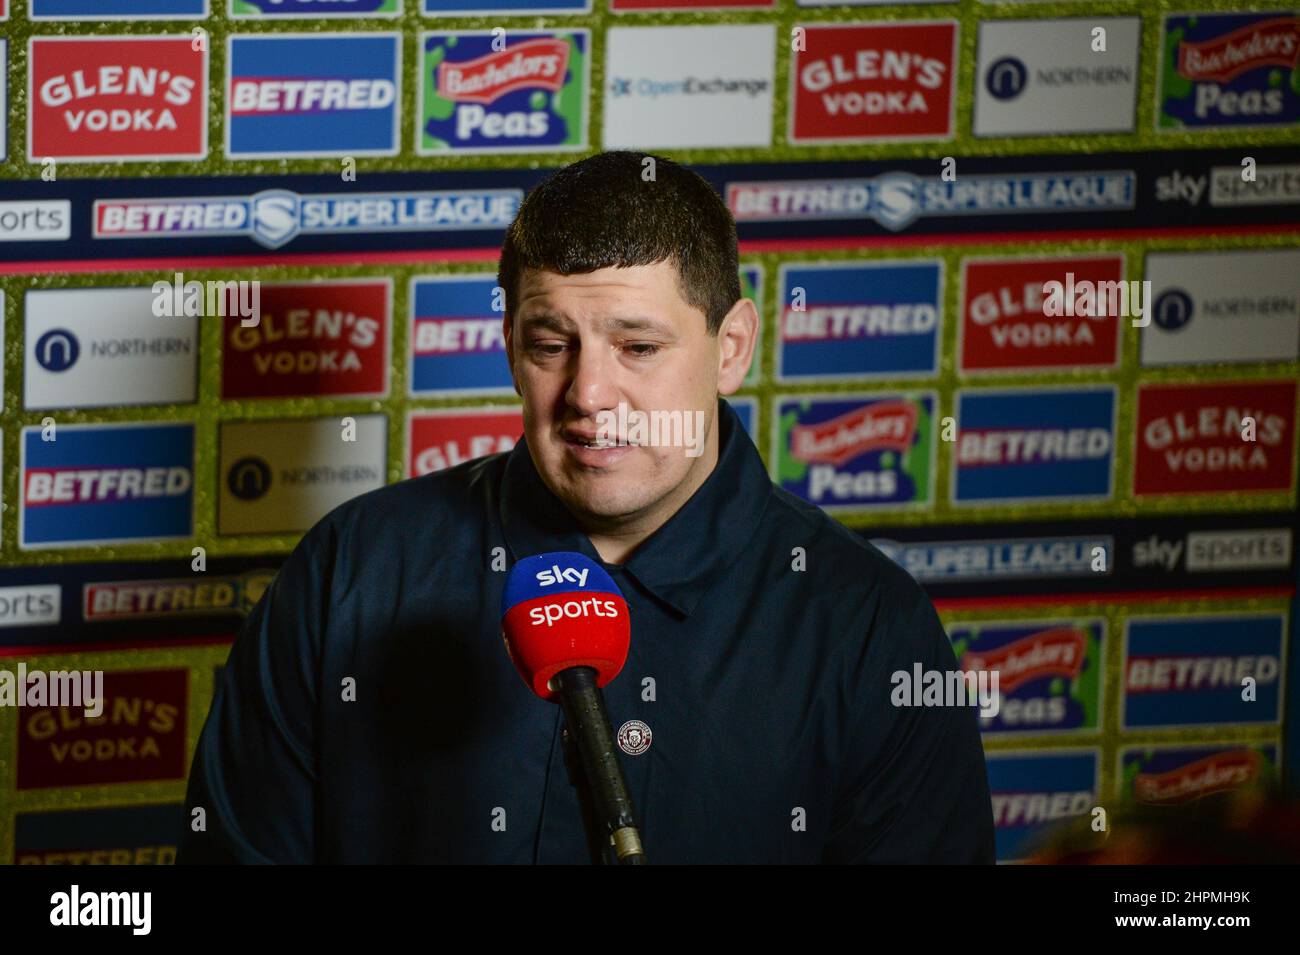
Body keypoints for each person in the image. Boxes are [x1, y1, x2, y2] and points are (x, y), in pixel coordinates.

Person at [179, 150, 995, 864]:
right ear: (509, 346)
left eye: (637, 346)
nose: (590, 395)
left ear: (733, 347)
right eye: (549, 344)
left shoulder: (868, 629)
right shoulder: (350, 572)